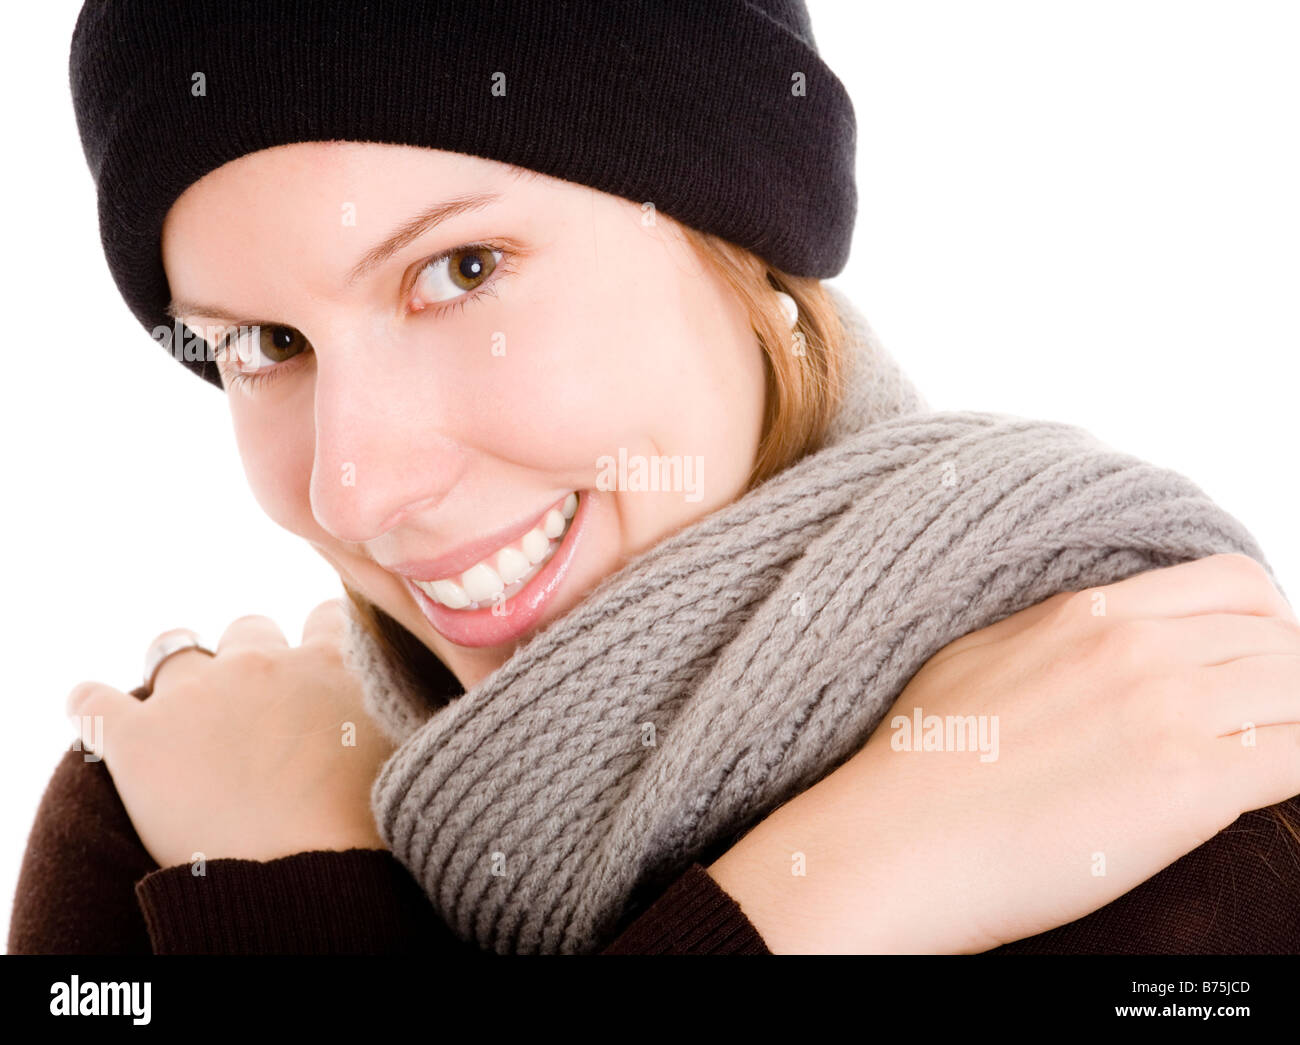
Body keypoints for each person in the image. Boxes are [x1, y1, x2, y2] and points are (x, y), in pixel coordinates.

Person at [13, 0, 1299, 955]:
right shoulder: (173, 796)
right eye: (266, 345)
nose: (356, 489)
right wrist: (830, 894)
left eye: (461, 270)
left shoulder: (1172, 780)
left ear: (739, 244)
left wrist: (292, 903)